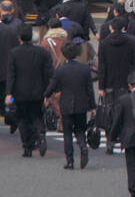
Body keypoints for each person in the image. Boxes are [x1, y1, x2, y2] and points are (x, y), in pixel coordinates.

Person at [43, 41, 95, 170]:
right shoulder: (84, 69)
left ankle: (70, 161)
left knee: (67, 133)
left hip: (66, 104)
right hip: (81, 103)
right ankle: (83, 146)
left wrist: (46, 96)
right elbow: (89, 89)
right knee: (80, 129)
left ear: (64, 55)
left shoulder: (60, 70)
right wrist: (92, 106)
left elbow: (52, 86)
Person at [5, 24, 51, 156]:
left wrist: (9, 93)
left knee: (23, 119)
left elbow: (11, 75)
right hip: (38, 91)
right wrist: (48, 92)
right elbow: (48, 73)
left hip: (20, 92)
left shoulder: (14, 53)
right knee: (37, 115)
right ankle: (41, 134)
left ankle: (27, 147)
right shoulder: (42, 52)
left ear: (19, 38)